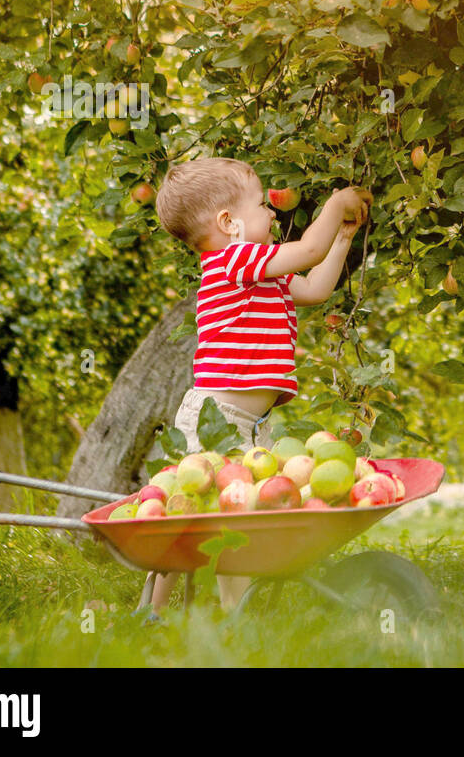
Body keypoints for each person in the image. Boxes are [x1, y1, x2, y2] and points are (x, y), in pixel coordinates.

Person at [145, 155, 373, 611]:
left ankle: (175, 613)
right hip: (217, 419)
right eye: (260, 205)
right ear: (229, 223)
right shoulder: (234, 260)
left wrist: (344, 236)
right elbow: (308, 250)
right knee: (210, 518)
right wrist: (336, 204)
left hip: (250, 426)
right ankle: (197, 615)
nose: (272, 213)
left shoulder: (259, 272)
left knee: (205, 515)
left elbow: (315, 288)